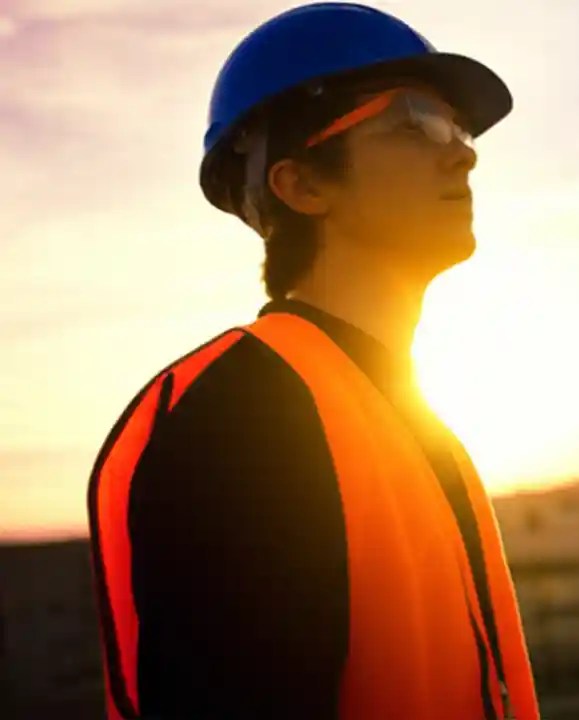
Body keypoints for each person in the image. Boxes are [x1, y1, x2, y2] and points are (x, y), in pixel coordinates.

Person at [85, 4, 538, 718]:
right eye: (415, 121)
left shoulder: (408, 422)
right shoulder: (243, 422)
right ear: (301, 186)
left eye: (459, 126)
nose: (463, 152)